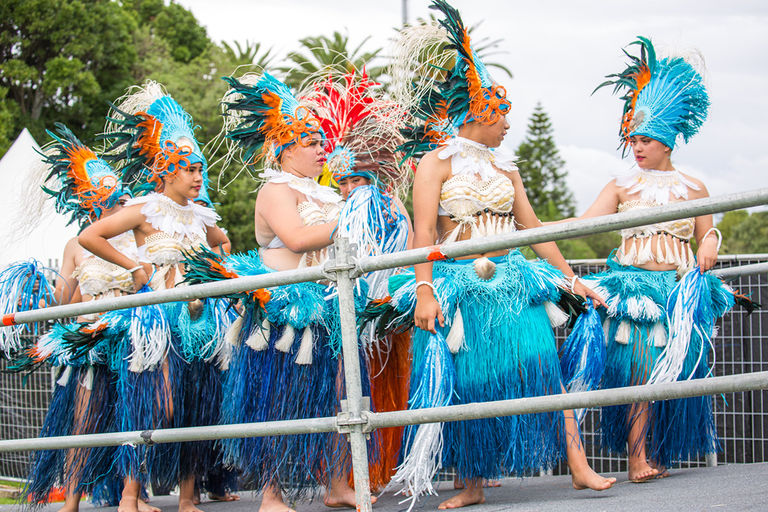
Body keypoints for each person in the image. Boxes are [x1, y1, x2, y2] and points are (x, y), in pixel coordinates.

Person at [370, 1, 615, 508]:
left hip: (515, 280)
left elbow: (534, 231)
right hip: (462, 280)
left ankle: (578, 466)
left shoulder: (508, 171)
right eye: (502, 113)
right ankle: (474, 484)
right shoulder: (433, 165)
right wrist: (423, 289)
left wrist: (570, 279)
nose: (508, 124)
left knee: (545, 368)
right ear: (480, 110)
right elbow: (422, 233)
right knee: (473, 382)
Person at [183, 71, 373, 512]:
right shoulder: (274, 189)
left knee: (338, 393)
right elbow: (298, 238)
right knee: (277, 399)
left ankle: (338, 483)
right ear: (286, 148)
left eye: (322, 138)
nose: (322, 146)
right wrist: (355, 216)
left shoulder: (326, 192)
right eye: (311, 140)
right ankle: (271, 494)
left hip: (329, 306)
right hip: (282, 312)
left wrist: (372, 207)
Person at [570, 36, 736, 481]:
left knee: (673, 375)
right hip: (635, 289)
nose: (637, 147)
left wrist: (711, 243)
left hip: (677, 292)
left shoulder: (695, 187)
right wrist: (531, 231)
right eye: (633, 139)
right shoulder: (622, 185)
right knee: (639, 374)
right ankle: (637, 459)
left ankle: (659, 454)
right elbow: (581, 224)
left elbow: (709, 234)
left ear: (666, 143)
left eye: (645, 140)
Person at [79, 82, 229, 512]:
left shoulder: (202, 217)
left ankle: (187, 499)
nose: (199, 178)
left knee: (195, 408)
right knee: (154, 405)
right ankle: (131, 497)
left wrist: (219, 271)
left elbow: (224, 243)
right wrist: (136, 268)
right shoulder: (146, 209)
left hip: (201, 321)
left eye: (201, 170)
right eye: (190, 170)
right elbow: (90, 235)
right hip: (159, 320)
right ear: (167, 171)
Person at [17, 124, 160, 512]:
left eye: (113, 196)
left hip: (133, 332)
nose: (109, 203)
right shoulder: (76, 244)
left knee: (136, 414)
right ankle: (73, 499)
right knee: (85, 419)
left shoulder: (137, 232)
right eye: (100, 198)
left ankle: (134, 496)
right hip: (92, 336)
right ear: (88, 201)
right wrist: (44, 288)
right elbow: (69, 297)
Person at [302, 71, 413, 490]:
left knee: (375, 394)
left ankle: (364, 476)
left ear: (371, 175)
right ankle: (350, 479)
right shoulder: (381, 204)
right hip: (364, 313)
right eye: (342, 181)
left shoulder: (376, 203)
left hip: (378, 311)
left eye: (353, 179)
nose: (347, 188)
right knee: (359, 396)